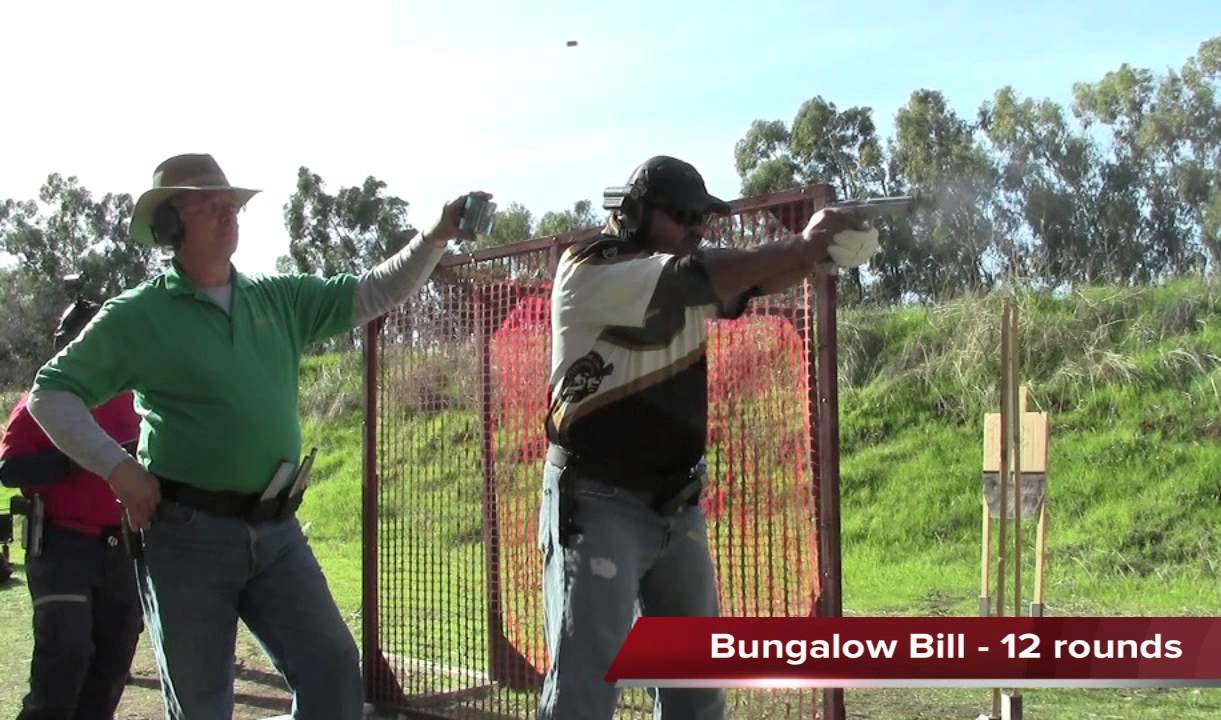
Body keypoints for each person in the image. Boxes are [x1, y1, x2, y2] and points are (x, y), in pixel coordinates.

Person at [25, 153, 489, 719]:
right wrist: (118, 469)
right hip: (186, 537)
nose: (229, 215)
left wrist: (436, 235)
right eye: (210, 207)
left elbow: (373, 292)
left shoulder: (279, 298)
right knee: (202, 708)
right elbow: (51, 392)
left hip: (277, 534)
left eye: (232, 205)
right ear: (171, 226)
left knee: (333, 677)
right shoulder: (137, 317)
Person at [539, 155, 871, 719]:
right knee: (585, 692)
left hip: (676, 506)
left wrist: (821, 250)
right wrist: (807, 244)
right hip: (599, 502)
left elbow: (759, 277)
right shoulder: (592, 267)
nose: (698, 227)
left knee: (699, 691)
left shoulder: (681, 272)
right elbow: (712, 275)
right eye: (685, 215)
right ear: (639, 215)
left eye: (704, 217)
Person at [0, 294, 143, 720]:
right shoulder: (43, 400)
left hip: (123, 549)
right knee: (65, 657)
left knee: (112, 666)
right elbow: (10, 469)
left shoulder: (133, 400)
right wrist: (85, 455)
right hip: (64, 546)